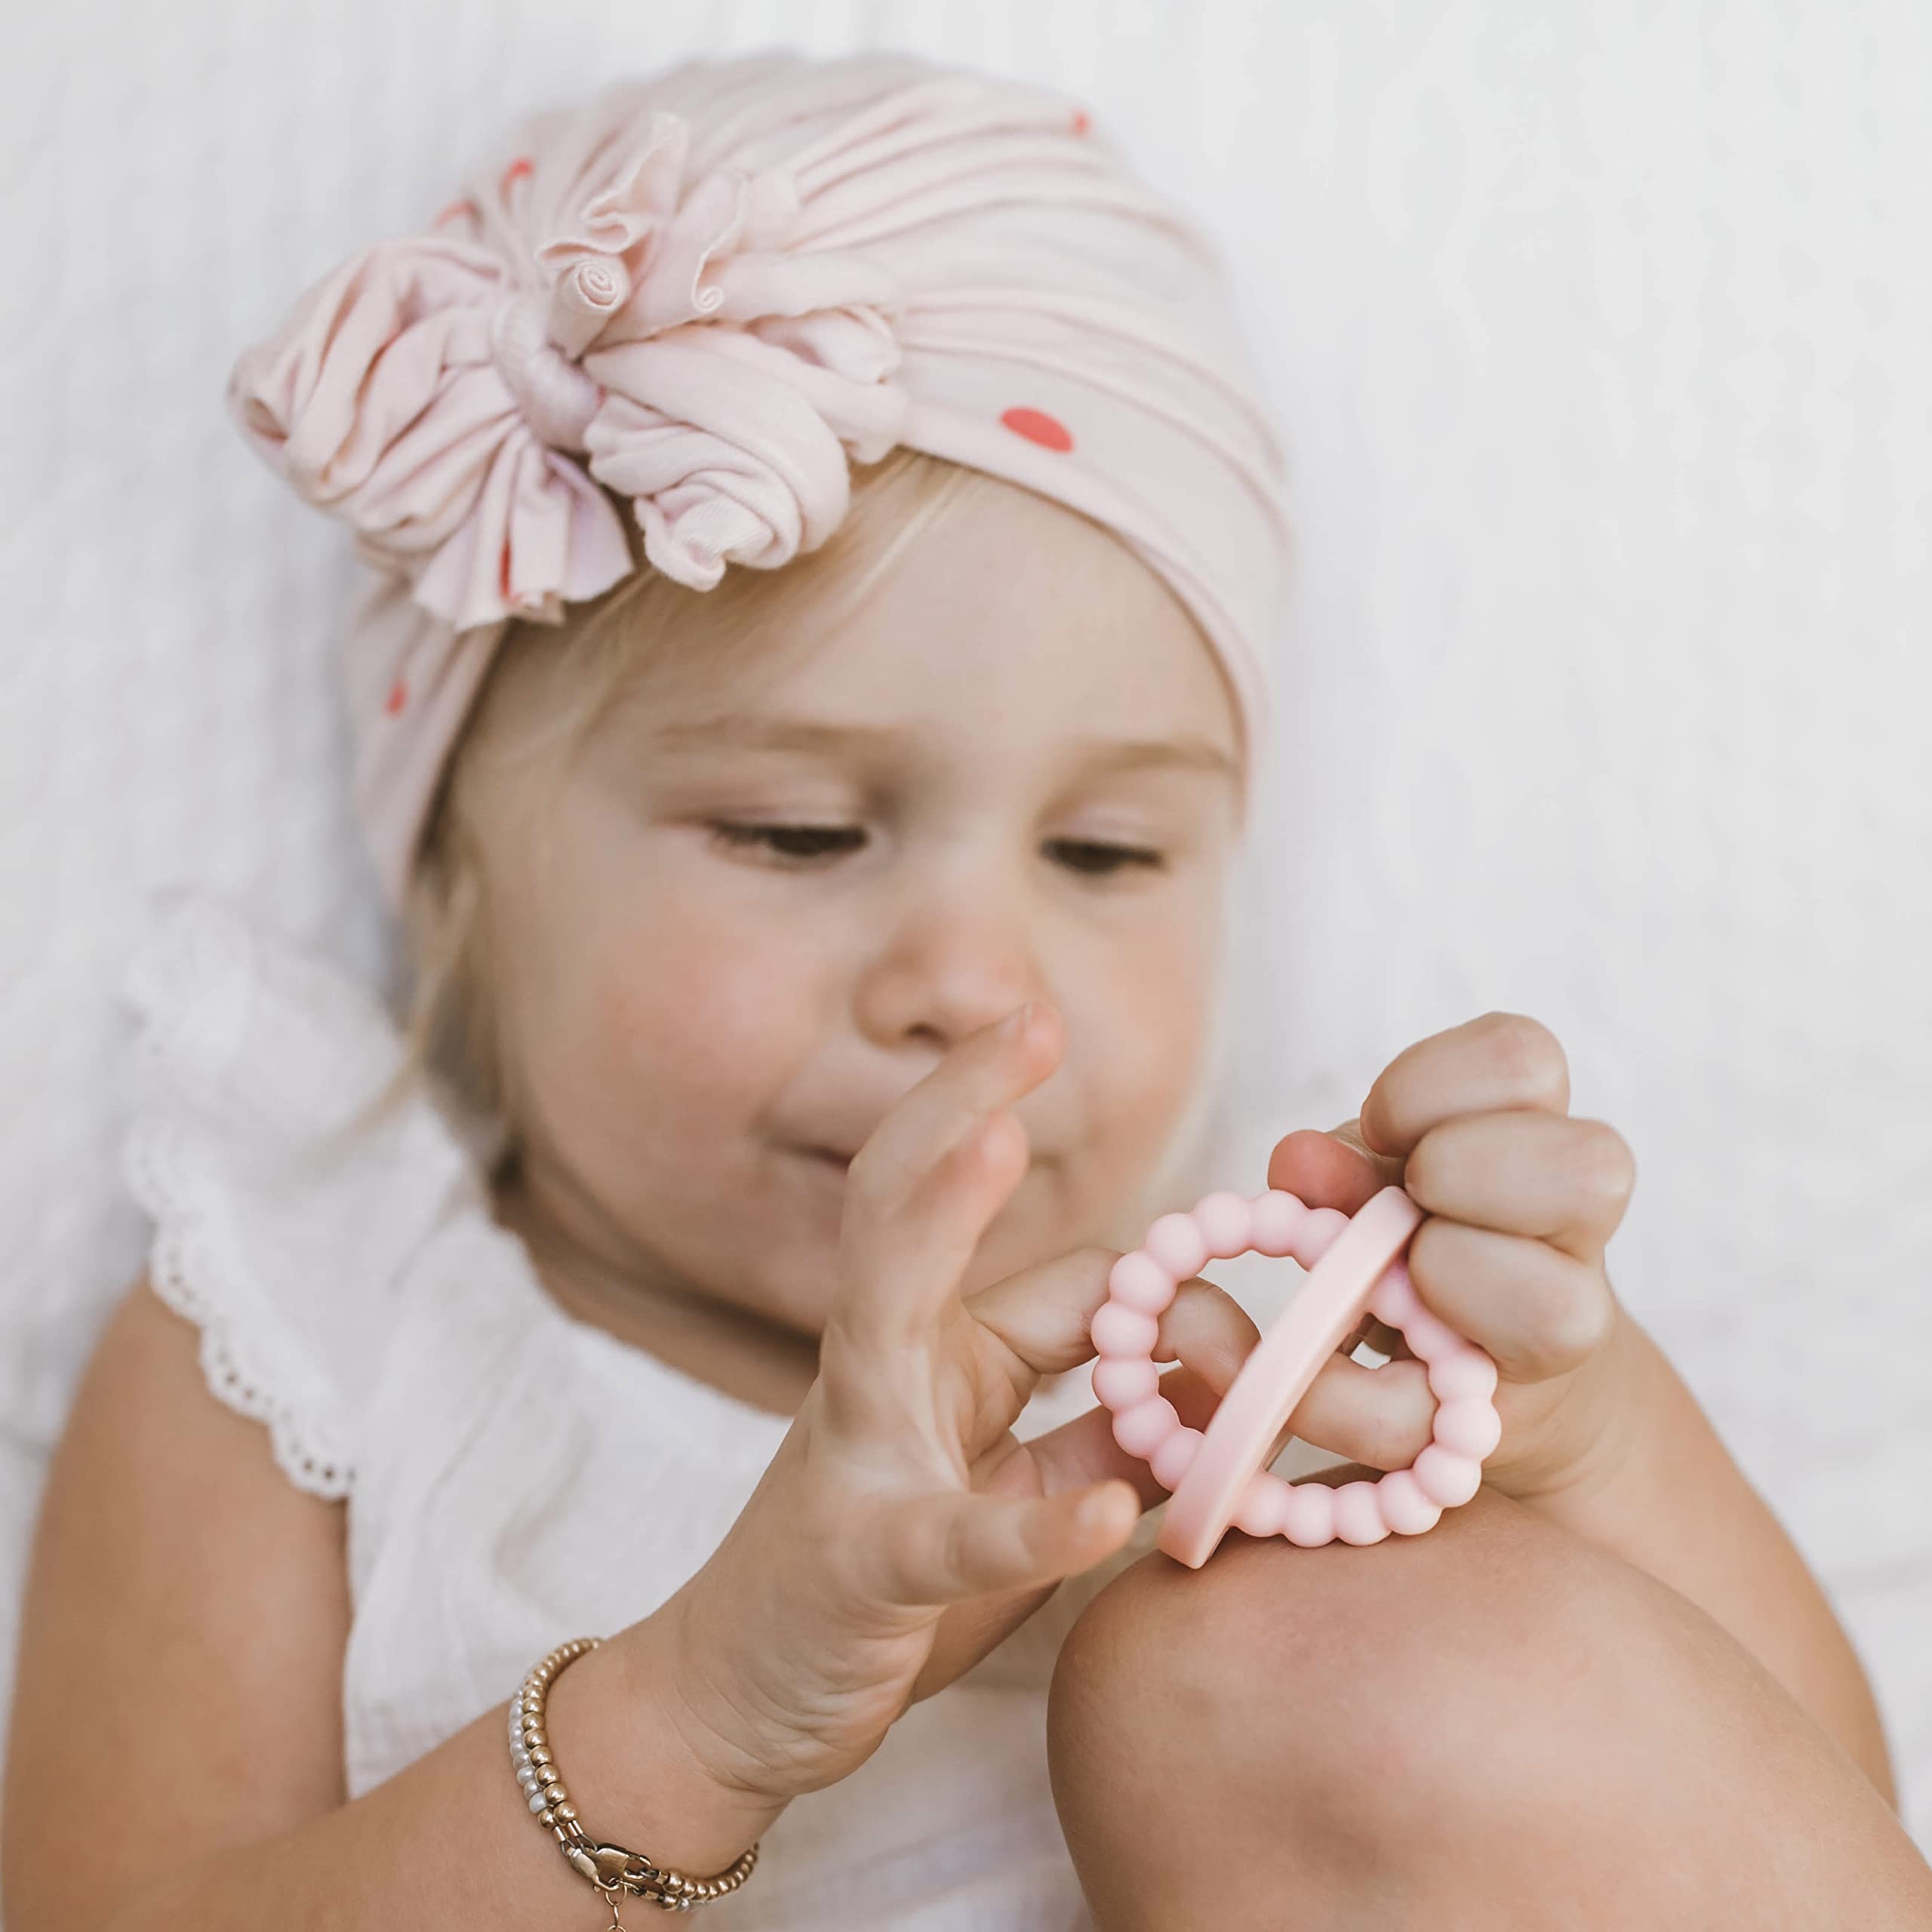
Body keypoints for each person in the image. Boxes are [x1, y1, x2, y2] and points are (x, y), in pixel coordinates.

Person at [5, 45, 1928, 1932]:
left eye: (1104, 857)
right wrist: (690, 1717)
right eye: (793, 832)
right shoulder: (319, 1335)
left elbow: (1809, 1833)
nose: (967, 982)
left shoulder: (1261, 1368)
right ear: (453, 872)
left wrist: (1585, 1435)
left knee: (1322, 1653)